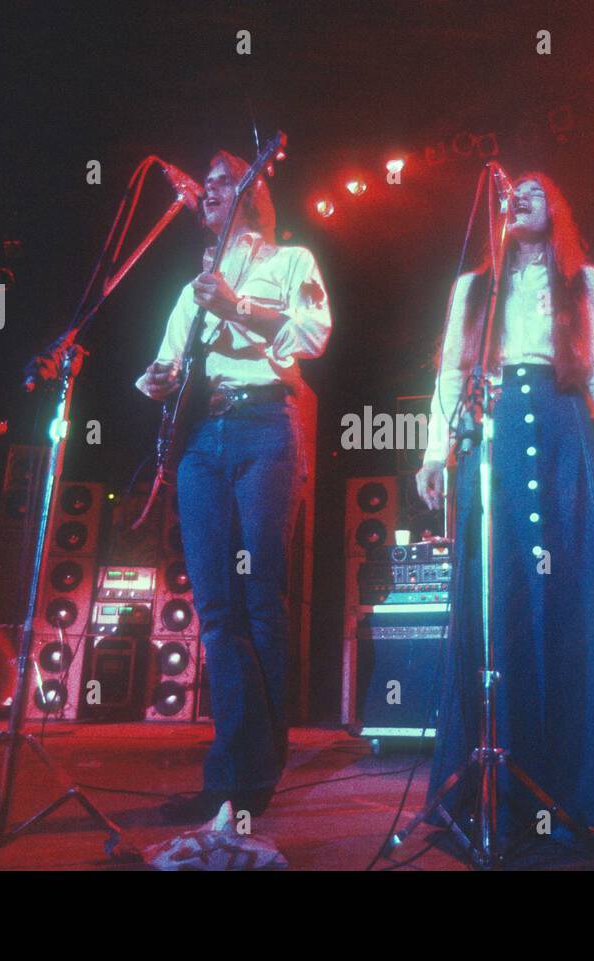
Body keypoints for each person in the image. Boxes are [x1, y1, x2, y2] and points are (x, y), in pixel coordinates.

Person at [416, 172, 594, 848]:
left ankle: (577, 784)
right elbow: (449, 377)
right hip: (494, 432)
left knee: (569, 597)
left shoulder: (585, 283)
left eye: (534, 189)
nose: (518, 196)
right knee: (499, 600)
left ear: (558, 207)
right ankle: (490, 779)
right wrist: (435, 454)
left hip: (560, 426)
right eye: (510, 190)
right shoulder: (472, 290)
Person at [137, 150, 331, 822]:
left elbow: (314, 332)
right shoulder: (193, 283)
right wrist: (156, 380)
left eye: (222, 181)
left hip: (262, 427)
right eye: (207, 183)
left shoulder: (290, 261)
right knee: (216, 611)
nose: (207, 190)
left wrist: (240, 304)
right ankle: (226, 775)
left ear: (251, 193)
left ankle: (258, 776)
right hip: (201, 437)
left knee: (260, 601)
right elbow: (164, 361)